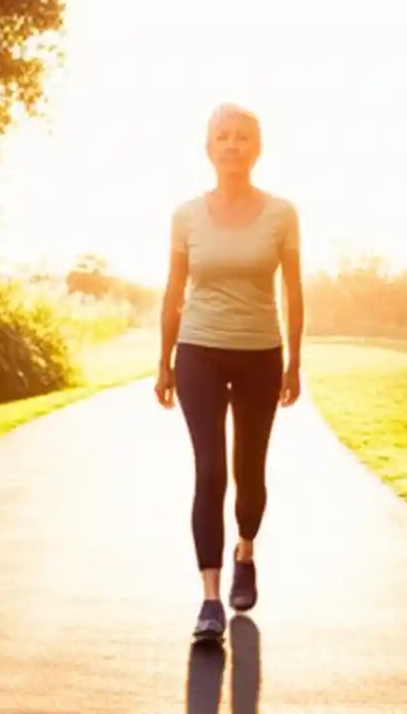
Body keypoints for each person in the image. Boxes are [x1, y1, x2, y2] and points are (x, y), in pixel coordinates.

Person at [155, 103, 304, 642]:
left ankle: (245, 549)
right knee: (210, 470)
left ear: (256, 148)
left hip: (261, 351)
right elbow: (174, 291)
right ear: (208, 148)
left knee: (250, 472)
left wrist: (294, 361)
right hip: (198, 349)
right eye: (223, 136)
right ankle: (210, 600)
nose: (233, 144)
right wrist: (164, 359)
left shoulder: (282, 214)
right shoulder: (186, 215)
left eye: (243, 137)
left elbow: (293, 289)